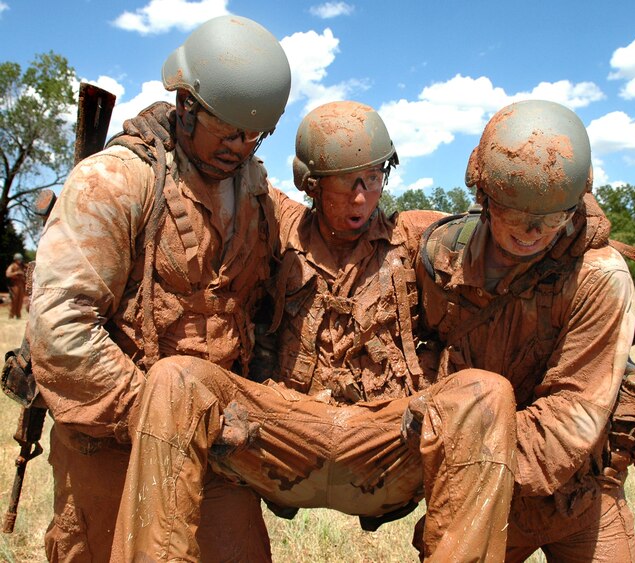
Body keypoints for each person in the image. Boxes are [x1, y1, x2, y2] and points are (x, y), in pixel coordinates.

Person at [112, 100, 518, 561]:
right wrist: (176, 129)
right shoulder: (277, 224)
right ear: (312, 184)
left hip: (386, 441)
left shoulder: (413, 236)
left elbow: (505, 234)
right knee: (175, 380)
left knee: (487, 393)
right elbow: (225, 167)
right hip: (285, 436)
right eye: (345, 183)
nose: (361, 198)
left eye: (373, 178)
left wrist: (550, 202)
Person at [27, 15, 293, 561]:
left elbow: (302, 252)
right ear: (187, 103)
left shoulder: (255, 190)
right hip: (111, 443)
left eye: (255, 134)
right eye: (228, 130)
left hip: (218, 449)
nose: (242, 146)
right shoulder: (116, 180)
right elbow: (61, 329)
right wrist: (165, 417)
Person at [417, 100, 635, 561]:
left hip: (579, 495)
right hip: (477, 492)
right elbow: (419, 347)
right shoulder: (444, 256)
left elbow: (571, 420)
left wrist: (462, 451)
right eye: (514, 214)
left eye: (554, 217)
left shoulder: (599, 276)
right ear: (484, 196)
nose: (532, 231)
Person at [5, 252, 26, 319]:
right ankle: (11, 315)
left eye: (20, 259)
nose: (20, 261)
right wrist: (16, 273)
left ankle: (18, 315)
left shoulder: (22, 266)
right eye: (18, 259)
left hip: (21, 285)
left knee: (20, 301)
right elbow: (8, 274)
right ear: (15, 259)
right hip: (14, 286)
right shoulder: (12, 266)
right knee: (14, 300)